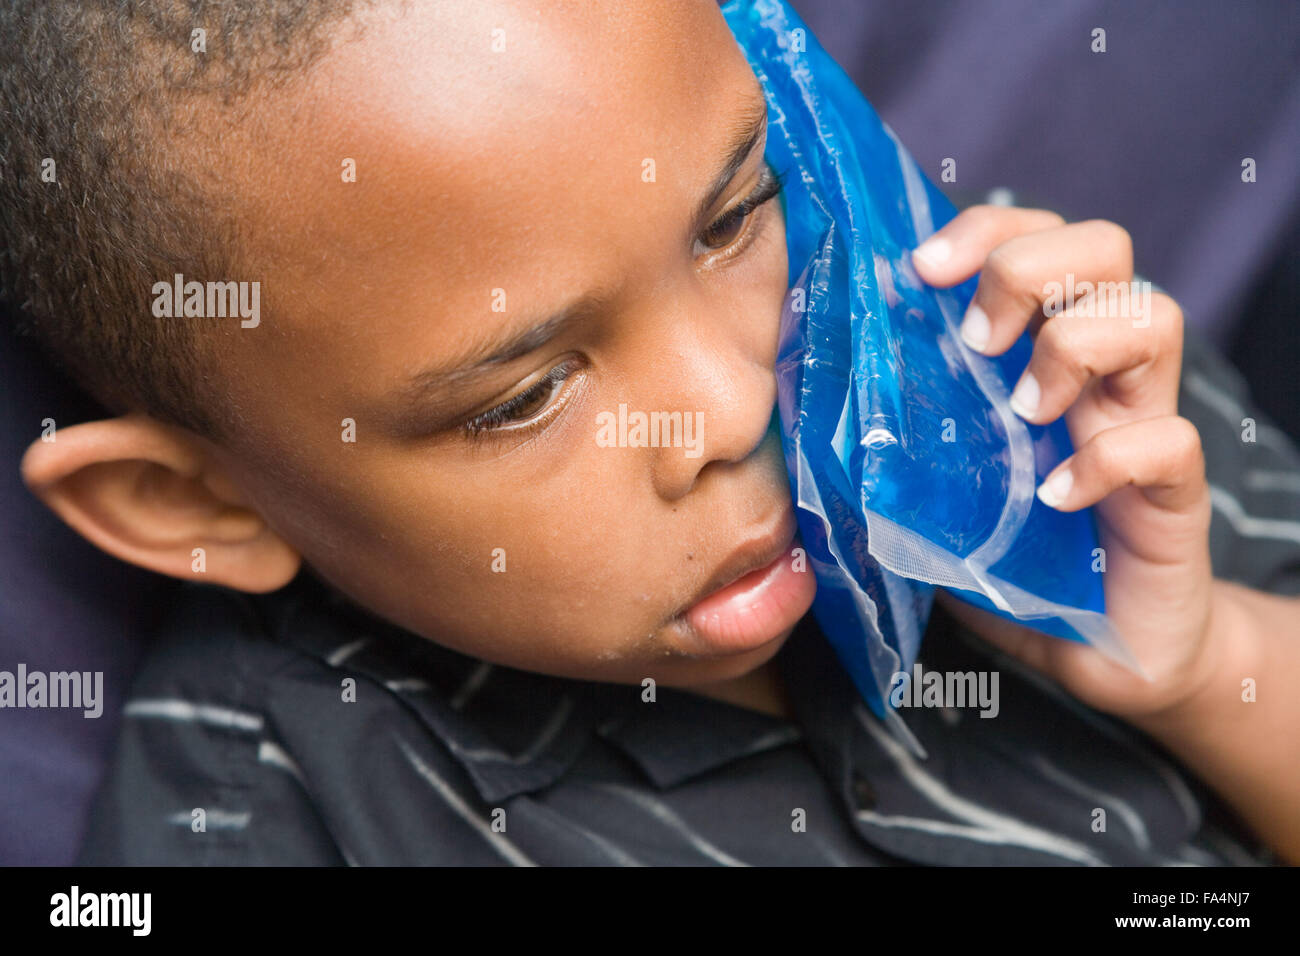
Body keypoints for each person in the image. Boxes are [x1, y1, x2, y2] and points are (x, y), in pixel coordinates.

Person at [4, 0, 1297, 865]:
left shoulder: (1037, 366)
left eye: (736, 219)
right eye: (522, 396)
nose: (728, 411)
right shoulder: (263, 794)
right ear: (199, 506)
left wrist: (1194, 660)